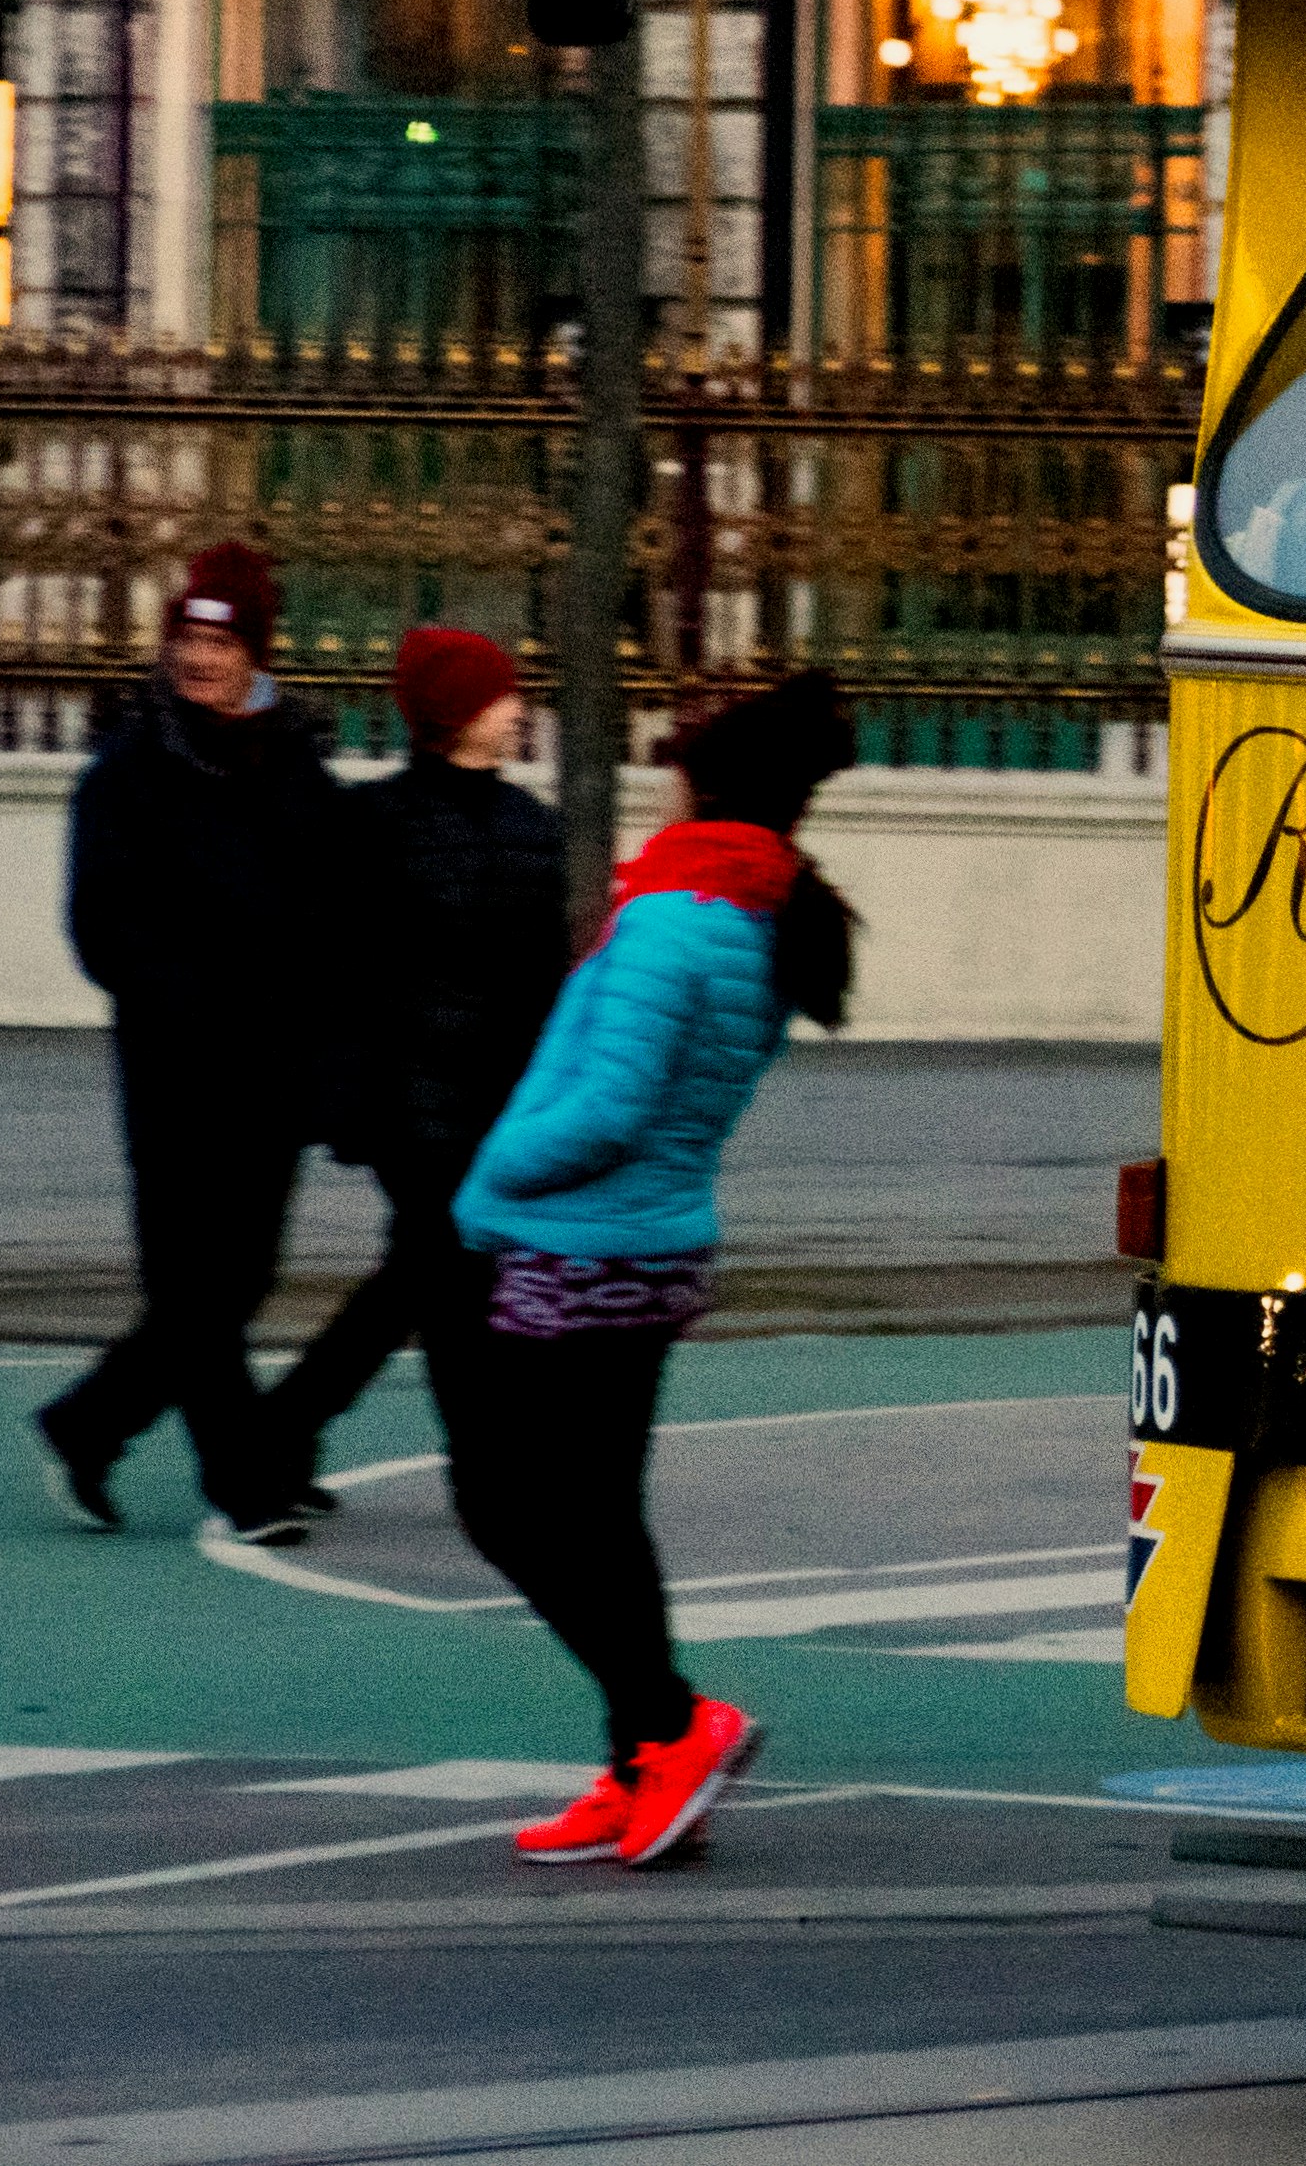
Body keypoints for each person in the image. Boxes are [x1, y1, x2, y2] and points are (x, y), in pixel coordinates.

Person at [441, 674, 859, 1871]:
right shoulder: (757, 914)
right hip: (651, 1242)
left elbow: (611, 1103)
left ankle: (674, 1722)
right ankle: (642, 1763)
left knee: (505, 1500)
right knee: (596, 1513)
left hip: (582, 1245)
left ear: (700, 783)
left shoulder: (679, 916)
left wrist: (493, 1170)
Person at [37, 542, 340, 1544]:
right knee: (197, 1290)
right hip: (174, 1070)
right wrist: (191, 1002)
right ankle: (246, 1485)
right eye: (187, 637)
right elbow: (102, 926)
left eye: (220, 639)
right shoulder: (131, 766)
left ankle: (89, 1422)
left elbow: (328, 910)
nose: (200, 657)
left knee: (238, 1280)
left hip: (275, 1071)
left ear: (256, 649)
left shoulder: (295, 759)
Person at [261, 629, 567, 1492]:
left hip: (498, 1099)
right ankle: (486, 1464)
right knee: (451, 1278)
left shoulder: (531, 825)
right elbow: (344, 972)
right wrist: (353, 1100)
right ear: (460, 711)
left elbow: (544, 975)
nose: (518, 709)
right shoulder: (376, 823)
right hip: (410, 1100)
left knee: (423, 1276)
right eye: (502, 695)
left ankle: (282, 1425)